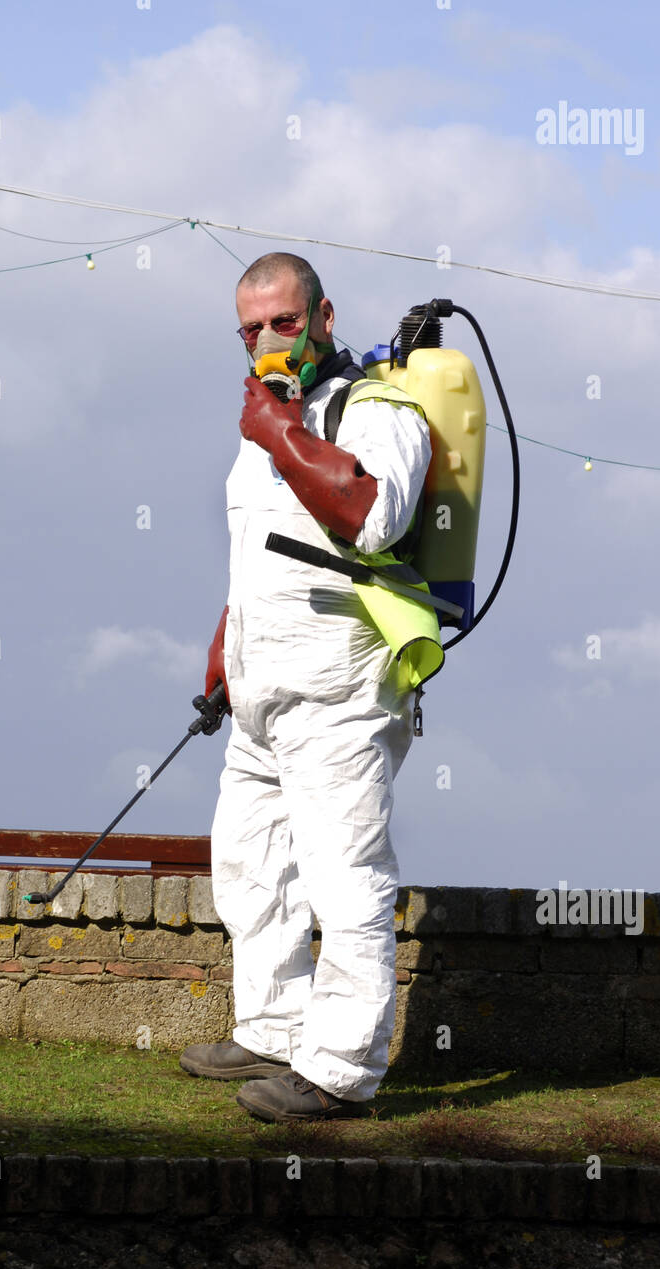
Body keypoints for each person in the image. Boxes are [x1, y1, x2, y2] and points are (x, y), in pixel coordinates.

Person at [179, 252, 434, 1121]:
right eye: (250, 330)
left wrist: (279, 432)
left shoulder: (376, 407)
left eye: (283, 323)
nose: (266, 342)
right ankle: (274, 1023)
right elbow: (258, 556)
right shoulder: (265, 420)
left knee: (345, 872)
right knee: (250, 862)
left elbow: (371, 516)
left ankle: (339, 1069)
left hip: (338, 685)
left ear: (324, 318)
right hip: (261, 681)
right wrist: (224, 649)